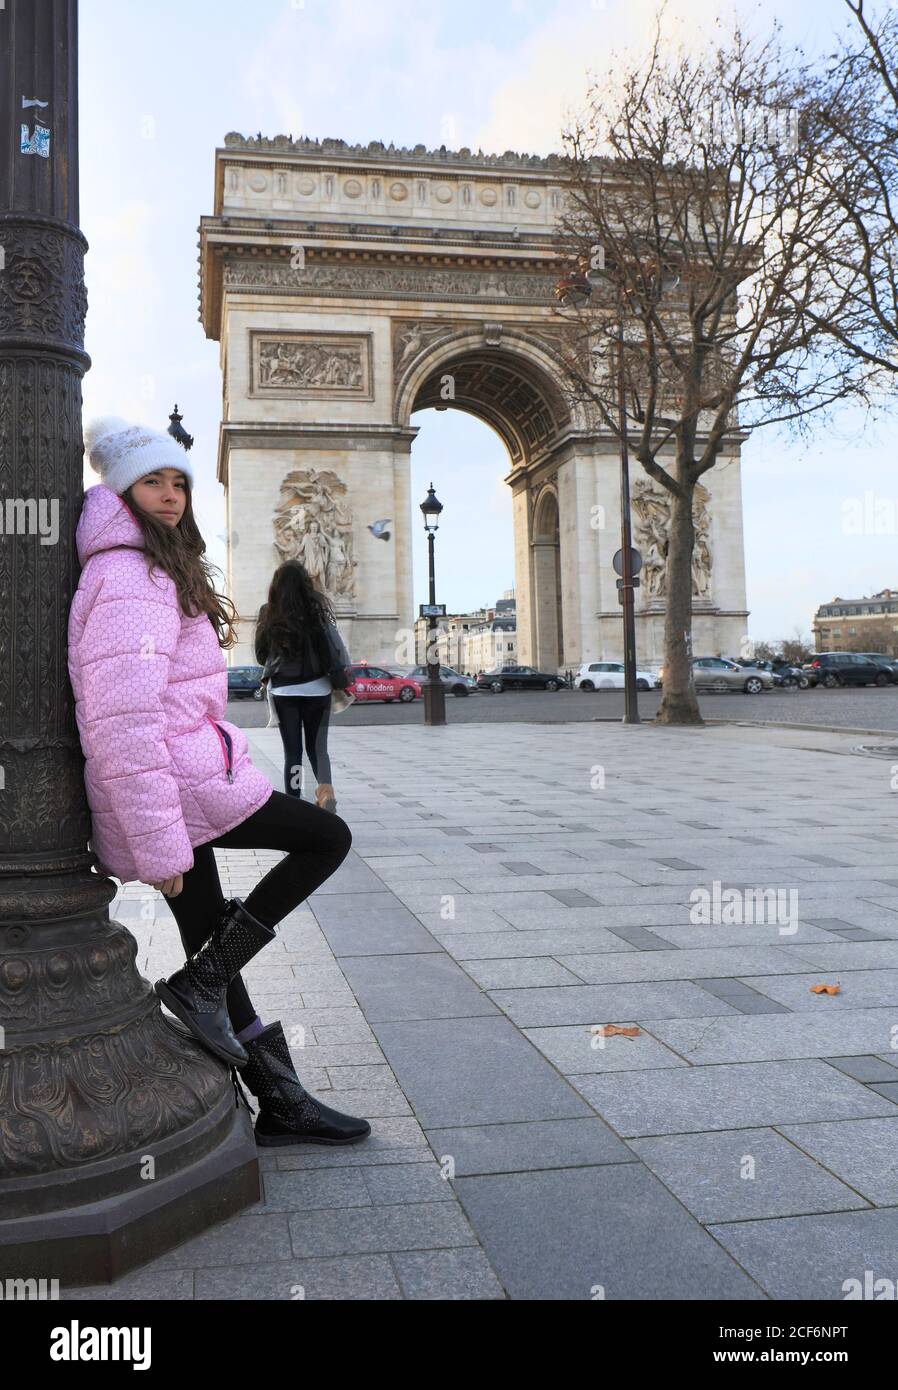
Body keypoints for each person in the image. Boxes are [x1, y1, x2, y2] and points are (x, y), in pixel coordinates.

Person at [66, 416, 369, 1148]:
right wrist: (159, 844)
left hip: (179, 779)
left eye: (179, 481)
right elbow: (121, 717)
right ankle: (203, 987)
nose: (170, 495)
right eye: (152, 481)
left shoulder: (152, 565)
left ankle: (281, 1102)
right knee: (325, 838)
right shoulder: (132, 575)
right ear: (120, 490)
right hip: (179, 781)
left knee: (209, 935)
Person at [254, 562, 351, 813]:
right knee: (319, 749)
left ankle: (295, 804)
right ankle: (326, 791)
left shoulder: (269, 612)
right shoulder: (317, 611)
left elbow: (261, 655)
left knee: (293, 753)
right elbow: (333, 649)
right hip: (318, 689)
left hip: (284, 691)